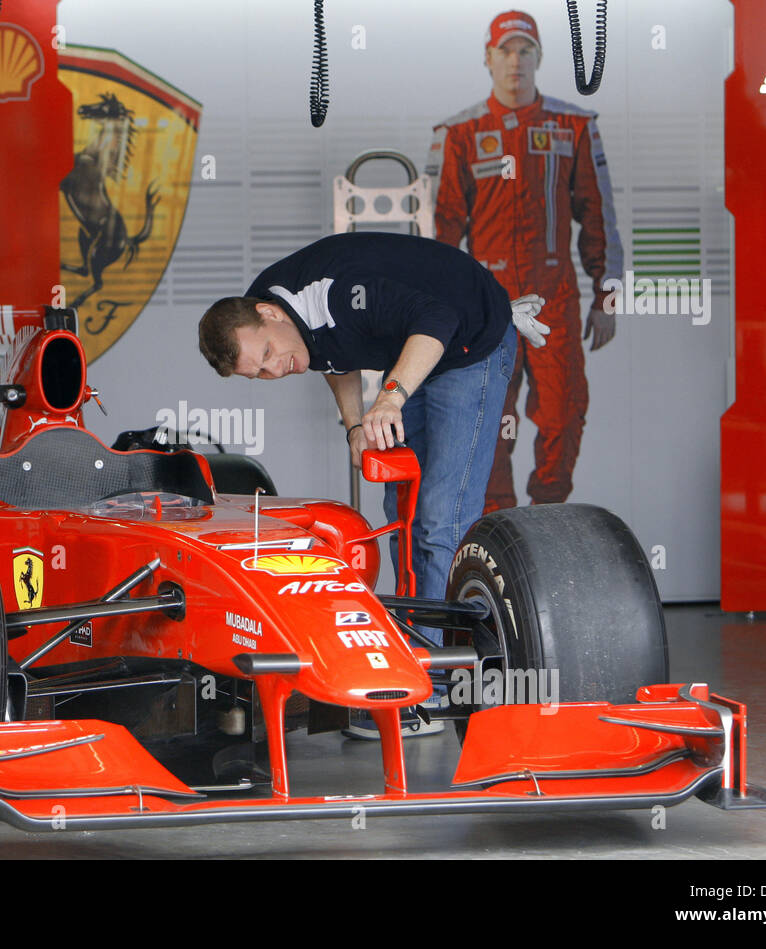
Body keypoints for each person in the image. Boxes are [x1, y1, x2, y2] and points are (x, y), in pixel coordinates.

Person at [198, 232, 547, 737]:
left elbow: (438, 317)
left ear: (268, 314)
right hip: (415, 346)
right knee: (403, 514)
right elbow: (329, 356)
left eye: (270, 353)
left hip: (467, 335)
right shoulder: (264, 314)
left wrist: (390, 398)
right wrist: (355, 424)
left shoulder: (333, 294)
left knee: (440, 521)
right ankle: (408, 662)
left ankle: (434, 690)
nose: (276, 369)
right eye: (260, 373)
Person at [427, 10, 623, 512]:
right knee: (489, 417)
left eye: (525, 50)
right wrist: (439, 313)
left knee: (563, 412)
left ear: (539, 58)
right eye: (505, 51)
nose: (515, 61)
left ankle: (549, 517)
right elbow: (442, 233)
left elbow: (598, 215)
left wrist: (609, 295)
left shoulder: (573, 125)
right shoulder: (460, 132)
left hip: (554, 294)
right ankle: (499, 526)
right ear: (488, 59)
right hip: (488, 302)